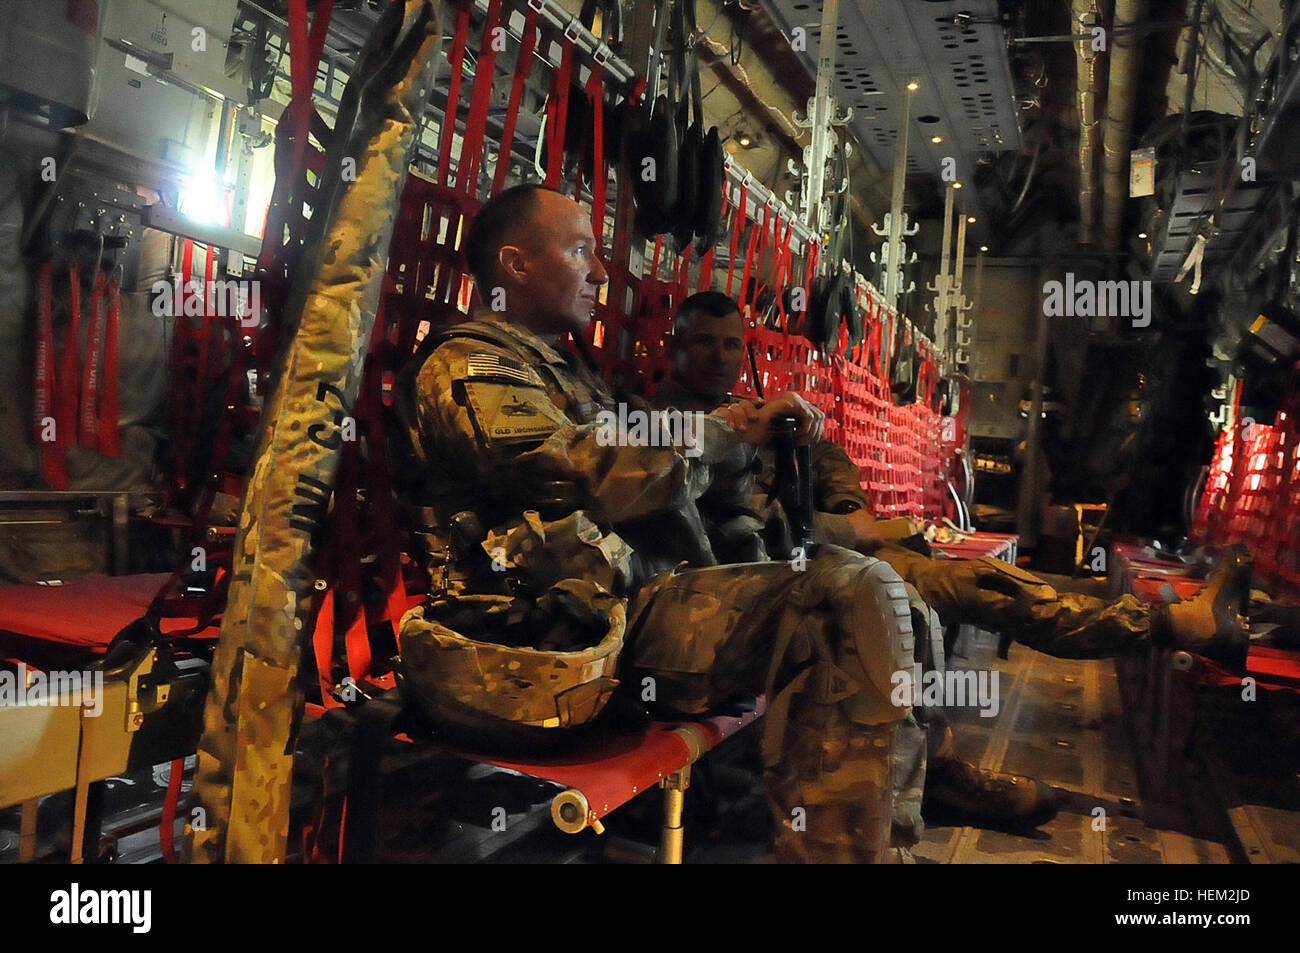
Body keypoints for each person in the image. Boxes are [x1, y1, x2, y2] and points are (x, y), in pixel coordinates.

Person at [395, 184, 917, 863]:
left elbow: (653, 451)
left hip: (622, 604)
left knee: (887, 598)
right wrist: (728, 434)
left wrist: (750, 433)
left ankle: (880, 840)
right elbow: (579, 468)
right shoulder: (467, 365)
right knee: (848, 597)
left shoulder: (566, 372)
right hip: (543, 637)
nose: (599, 271)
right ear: (516, 264)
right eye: (580, 249)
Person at [655, 291, 1254, 833]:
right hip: (759, 584)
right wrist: (843, 527)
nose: (719, 355)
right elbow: (719, 529)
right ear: (675, 345)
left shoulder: (756, 413)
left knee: (977, 582)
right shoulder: (659, 430)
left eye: (731, 342)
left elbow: (827, 457)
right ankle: (930, 776)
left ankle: (1172, 625)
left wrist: (842, 505)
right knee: (902, 605)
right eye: (702, 341)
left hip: (820, 557)